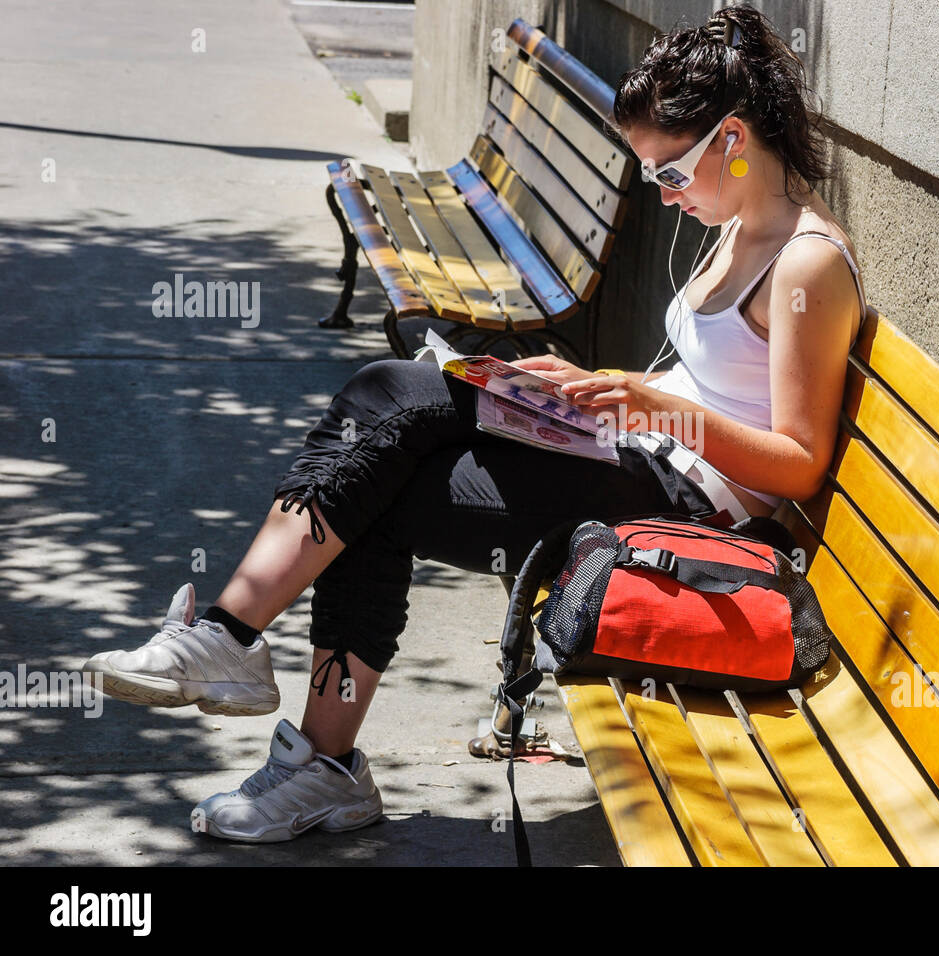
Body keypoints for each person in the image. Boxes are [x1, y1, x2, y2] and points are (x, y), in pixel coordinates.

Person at [78, 3, 868, 844]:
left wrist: (656, 408)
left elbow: (799, 465)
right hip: (637, 456)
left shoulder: (807, 262)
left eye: (670, 176)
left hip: (680, 521)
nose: (667, 199)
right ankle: (302, 744)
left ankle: (245, 662)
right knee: (382, 444)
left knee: (384, 409)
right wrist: (599, 385)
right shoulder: (739, 223)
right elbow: (712, 382)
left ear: (734, 139)